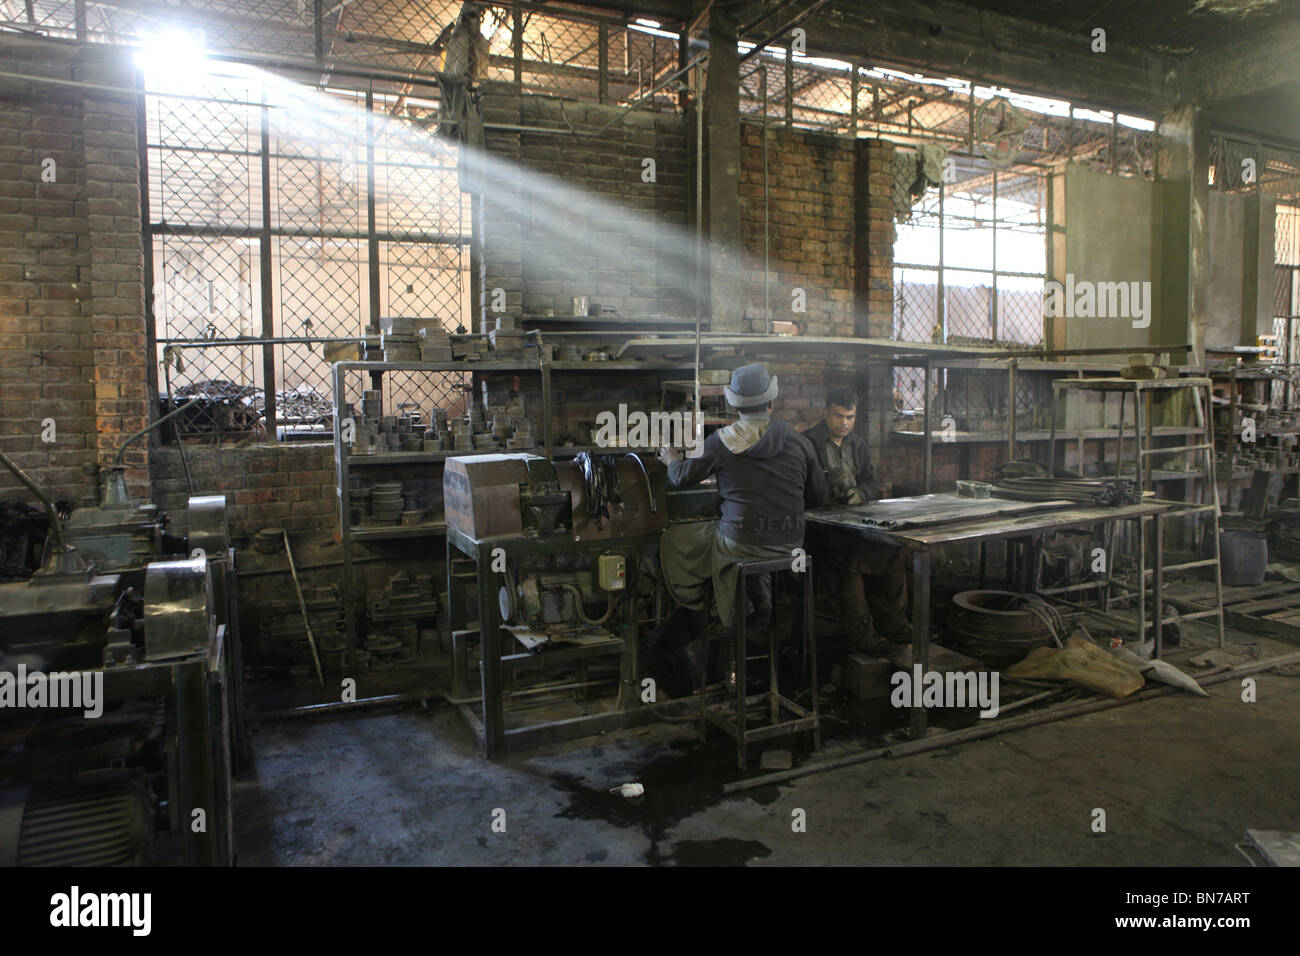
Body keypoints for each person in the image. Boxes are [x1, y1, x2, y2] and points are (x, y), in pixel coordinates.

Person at [643, 363, 826, 696]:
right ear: (771, 403)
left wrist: (670, 457)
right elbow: (818, 496)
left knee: (681, 542)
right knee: (746, 548)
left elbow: (682, 478)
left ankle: (720, 615)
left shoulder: (721, 441)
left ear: (735, 406)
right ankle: (758, 601)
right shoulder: (800, 441)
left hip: (742, 546)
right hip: (791, 548)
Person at [802, 388, 912, 653]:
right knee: (850, 555)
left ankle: (892, 619)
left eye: (850, 417)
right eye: (839, 416)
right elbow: (797, 489)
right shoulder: (807, 443)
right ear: (826, 413)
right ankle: (861, 630)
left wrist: (860, 493)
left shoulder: (858, 445)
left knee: (895, 547)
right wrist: (824, 495)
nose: (844, 423)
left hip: (856, 523)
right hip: (820, 527)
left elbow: (872, 483)